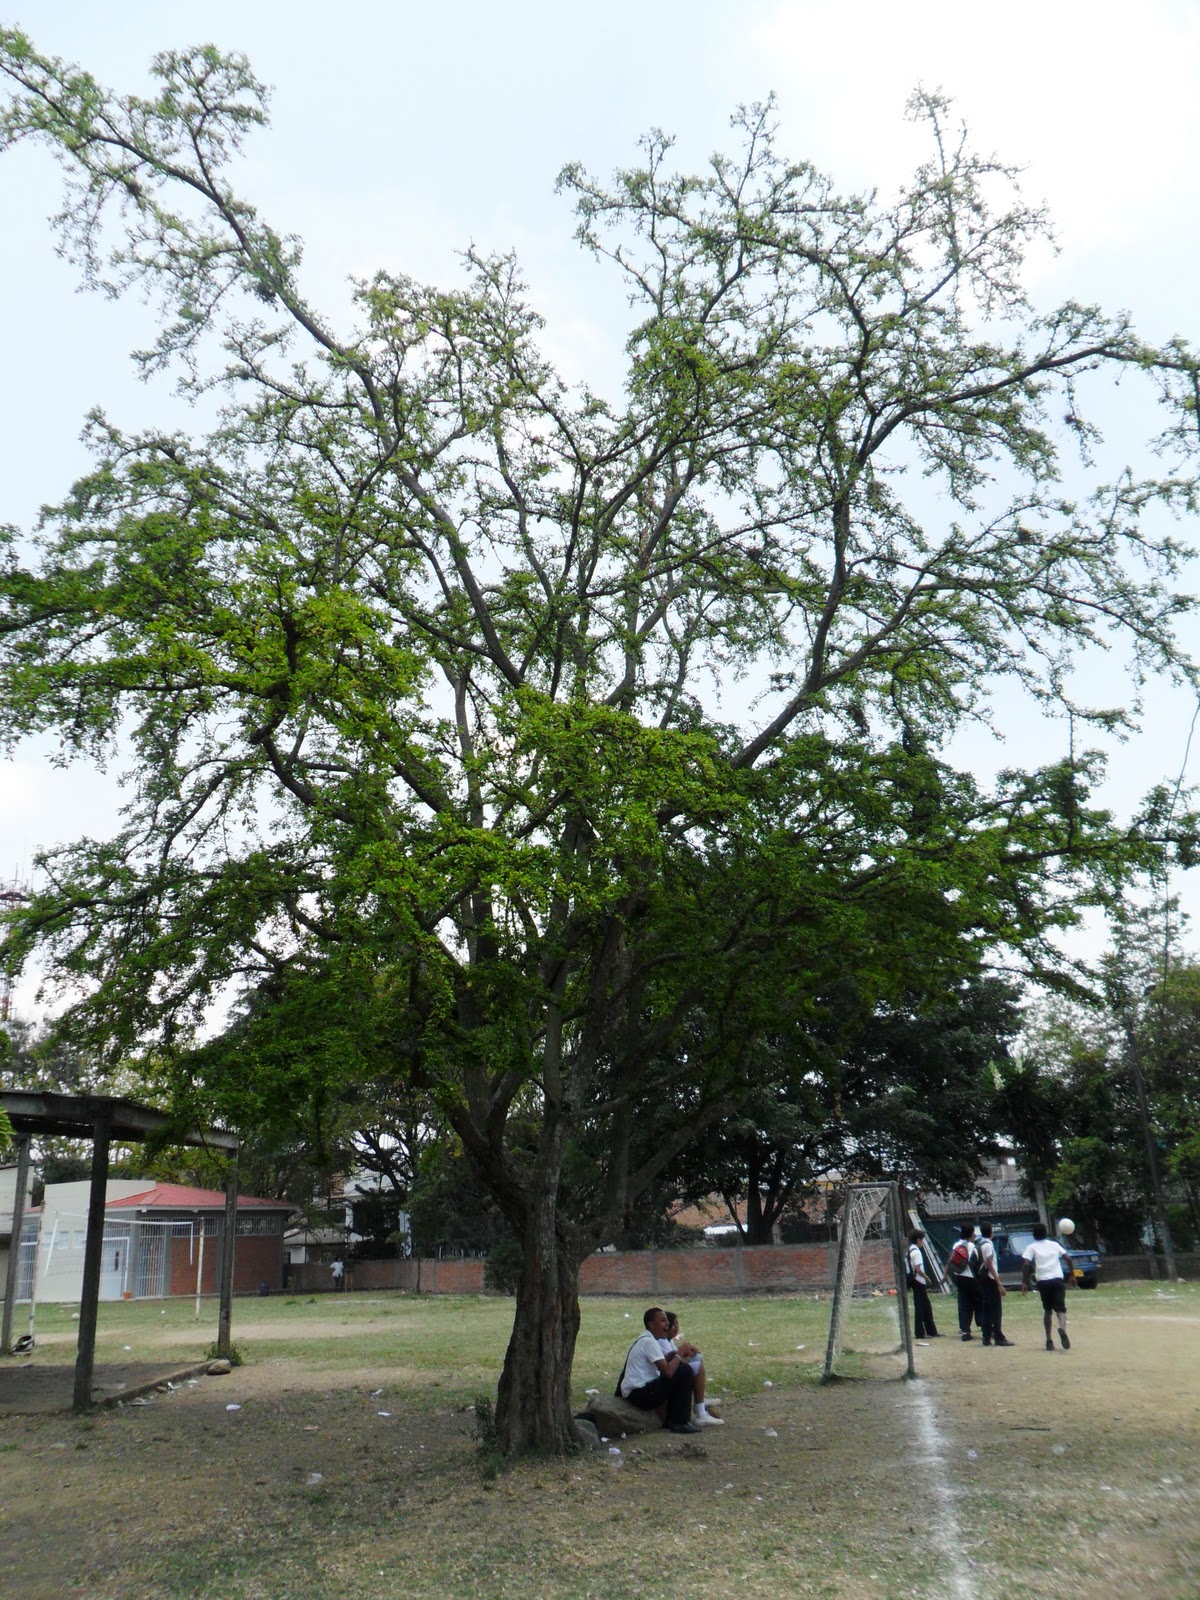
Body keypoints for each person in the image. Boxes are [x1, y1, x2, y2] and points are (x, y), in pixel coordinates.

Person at [618, 1307, 699, 1433]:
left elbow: (661, 1362)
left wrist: (674, 1354)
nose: (667, 1324)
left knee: (681, 1369)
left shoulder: (646, 1339)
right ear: (651, 1324)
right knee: (685, 1371)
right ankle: (680, 1422)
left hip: (640, 1391)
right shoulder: (649, 1342)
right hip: (641, 1394)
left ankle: (673, 1419)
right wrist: (679, 1353)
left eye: (667, 1321)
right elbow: (667, 1371)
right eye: (663, 1321)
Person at [662, 1310, 723, 1425]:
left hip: (673, 1371)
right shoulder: (663, 1342)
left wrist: (689, 1353)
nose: (676, 1327)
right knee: (698, 1367)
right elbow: (675, 1363)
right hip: (667, 1376)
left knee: (697, 1357)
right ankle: (700, 1413)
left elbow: (677, 1358)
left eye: (677, 1323)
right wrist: (683, 1355)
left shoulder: (669, 1342)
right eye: (673, 1324)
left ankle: (700, 1399)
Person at [1021, 1222, 1073, 1350]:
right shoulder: (1054, 1245)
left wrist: (1024, 1282)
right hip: (1057, 1279)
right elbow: (1068, 1258)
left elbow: (1026, 1264)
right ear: (1046, 1233)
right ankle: (1062, 1328)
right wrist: (1072, 1275)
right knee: (1060, 1310)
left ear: (1033, 1235)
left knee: (1048, 1310)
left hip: (1043, 1281)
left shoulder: (1032, 1247)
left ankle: (1049, 1341)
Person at [976, 1221, 1014, 1347]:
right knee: (995, 1310)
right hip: (990, 1280)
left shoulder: (981, 1243)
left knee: (987, 1309)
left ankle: (986, 1337)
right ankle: (998, 1336)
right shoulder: (988, 1245)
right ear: (991, 1232)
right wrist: (999, 1283)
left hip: (985, 1280)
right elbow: (990, 1265)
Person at [947, 1223, 981, 1341]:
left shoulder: (956, 1244)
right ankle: (983, 1324)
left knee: (963, 1303)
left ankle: (965, 1330)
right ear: (971, 1234)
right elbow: (975, 1262)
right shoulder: (972, 1246)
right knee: (977, 1301)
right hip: (970, 1277)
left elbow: (951, 1260)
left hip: (958, 1277)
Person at [906, 1229, 940, 1340]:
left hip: (915, 1282)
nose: (923, 1242)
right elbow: (918, 1269)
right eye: (922, 1240)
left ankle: (931, 1331)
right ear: (918, 1240)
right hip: (919, 1281)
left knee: (924, 1307)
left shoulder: (909, 1250)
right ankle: (920, 1333)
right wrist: (927, 1277)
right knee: (921, 1307)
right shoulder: (916, 1252)